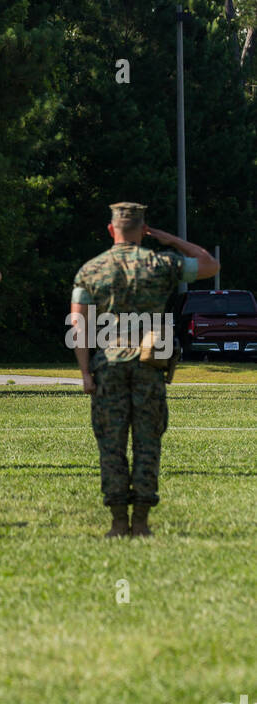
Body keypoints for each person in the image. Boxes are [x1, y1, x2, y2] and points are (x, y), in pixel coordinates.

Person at [70, 202, 219, 538]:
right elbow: (210, 264)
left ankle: (118, 521)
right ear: (143, 229)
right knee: (148, 442)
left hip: (108, 363)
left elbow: (79, 326)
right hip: (151, 361)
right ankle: (141, 522)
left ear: (111, 230)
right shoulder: (162, 263)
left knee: (112, 442)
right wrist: (167, 238)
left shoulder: (91, 269)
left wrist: (85, 373)